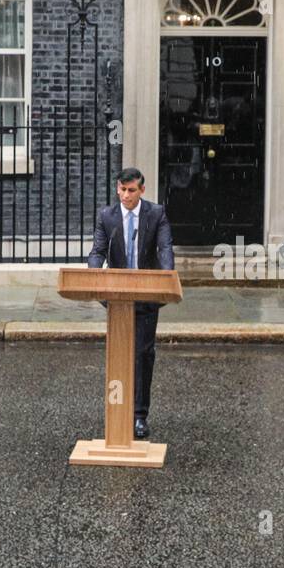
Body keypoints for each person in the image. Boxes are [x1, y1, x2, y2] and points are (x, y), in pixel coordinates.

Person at [86, 168, 175, 440]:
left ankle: (139, 415)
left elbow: (164, 249)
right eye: (122, 190)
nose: (126, 195)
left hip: (146, 297)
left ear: (142, 190)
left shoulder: (156, 214)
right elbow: (98, 251)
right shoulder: (107, 217)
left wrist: (166, 278)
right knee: (119, 354)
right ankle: (117, 412)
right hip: (117, 298)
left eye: (131, 190)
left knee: (143, 355)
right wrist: (92, 276)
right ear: (117, 189)